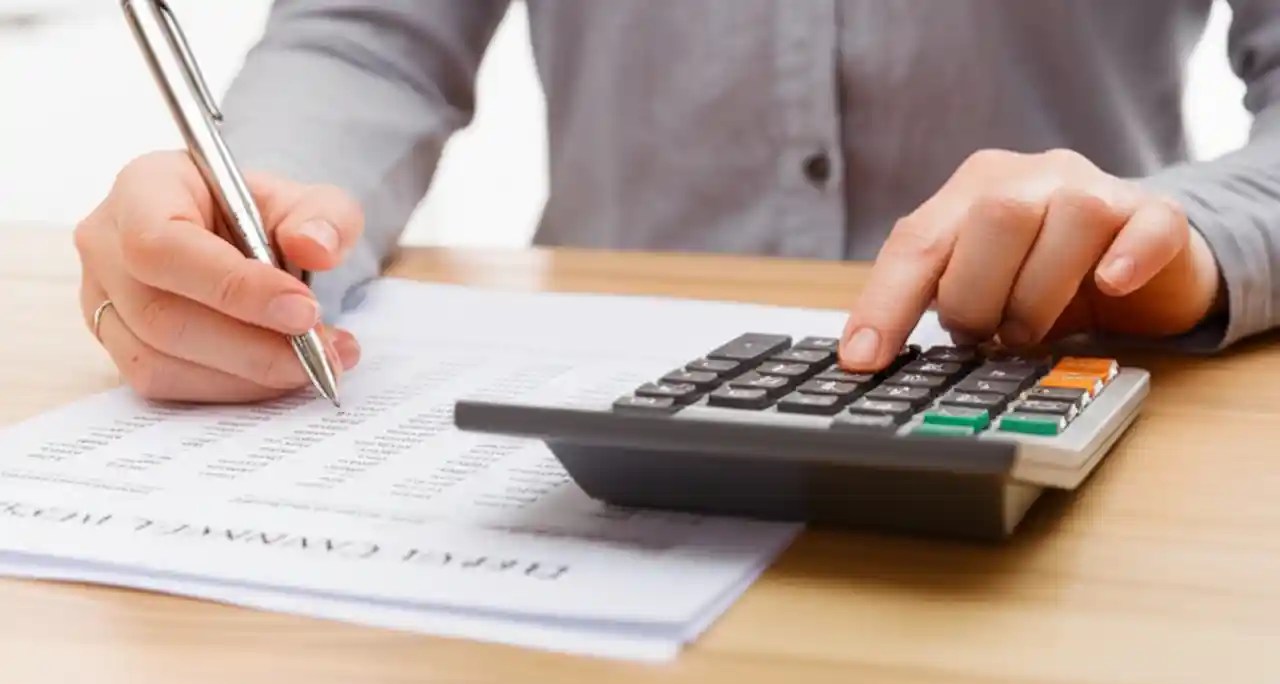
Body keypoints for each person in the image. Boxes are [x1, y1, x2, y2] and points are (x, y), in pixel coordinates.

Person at [75, 1, 1278, 403]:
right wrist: (259, 218)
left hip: (1070, 370)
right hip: (593, 422)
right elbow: (369, 38)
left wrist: (1182, 243)